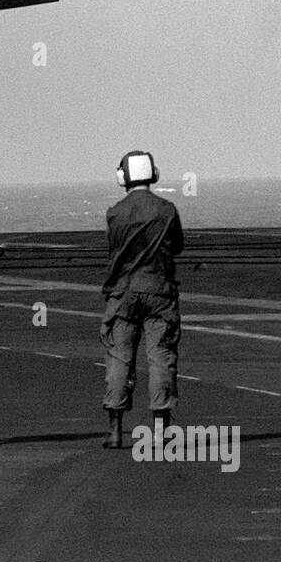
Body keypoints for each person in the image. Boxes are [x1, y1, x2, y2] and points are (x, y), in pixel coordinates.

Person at [100, 150, 185, 448]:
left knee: (119, 358)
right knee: (160, 356)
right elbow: (178, 246)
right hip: (159, 291)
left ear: (123, 177)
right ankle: (161, 431)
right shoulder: (167, 209)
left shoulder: (115, 212)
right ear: (153, 174)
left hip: (123, 293)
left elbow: (115, 251)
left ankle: (114, 431)